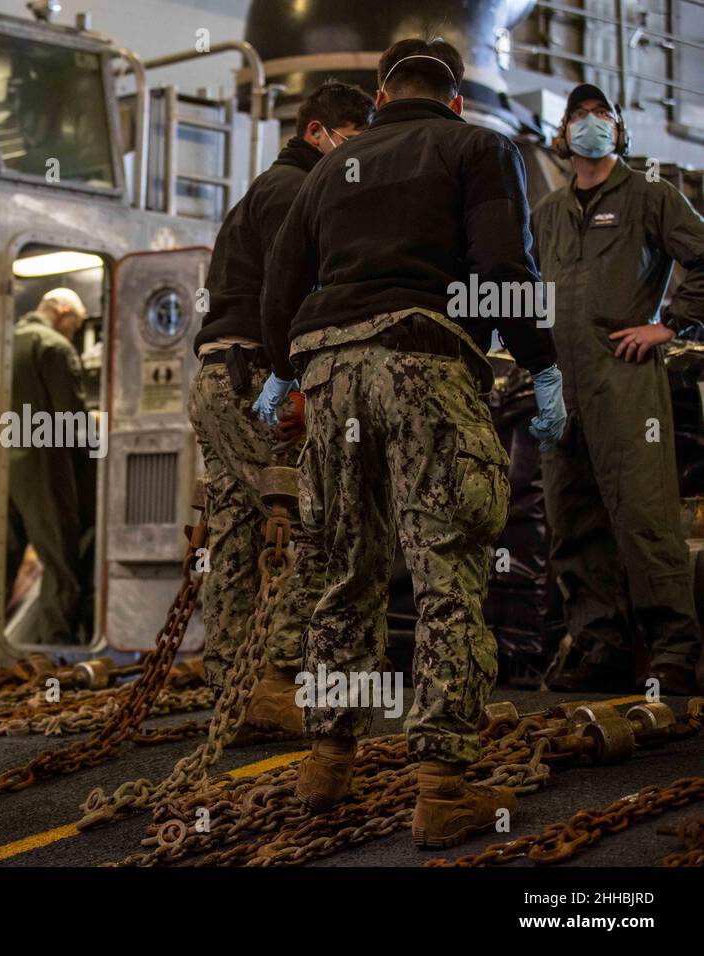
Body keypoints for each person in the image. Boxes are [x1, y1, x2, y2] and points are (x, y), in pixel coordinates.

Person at [259, 38, 566, 848]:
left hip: (329, 375)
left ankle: (326, 762)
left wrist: (284, 370)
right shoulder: (476, 146)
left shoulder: (330, 169)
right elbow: (503, 267)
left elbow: (280, 281)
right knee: (447, 567)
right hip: (422, 360)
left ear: (383, 95)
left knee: (343, 570)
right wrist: (541, 364)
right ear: (456, 98)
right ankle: (441, 785)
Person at [188, 80, 374, 735]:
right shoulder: (296, 192)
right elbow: (287, 294)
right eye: (353, 140)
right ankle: (272, 680)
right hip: (255, 380)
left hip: (220, 375)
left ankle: (234, 691)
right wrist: (292, 380)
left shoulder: (267, 189)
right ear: (320, 132)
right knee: (303, 528)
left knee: (237, 536)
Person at [532, 83, 704, 696]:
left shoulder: (650, 197)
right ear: (563, 131)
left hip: (622, 381)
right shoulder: (548, 212)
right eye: (578, 116)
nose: (589, 124)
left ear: (619, 128)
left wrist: (669, 325)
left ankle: (675, 652)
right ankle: (600, 644)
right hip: (560, 388)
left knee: (643, 516)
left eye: (600, 114)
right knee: (572, 519)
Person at [6, 288, 97, 645]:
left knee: (3, 557)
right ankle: (56, 648)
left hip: (3, 464)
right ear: (62, 312)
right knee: (59, 558)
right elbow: (72, 421)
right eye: (75, 323)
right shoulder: (55, 347)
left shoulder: (7, 340)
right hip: (44, 462)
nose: (74, 331)